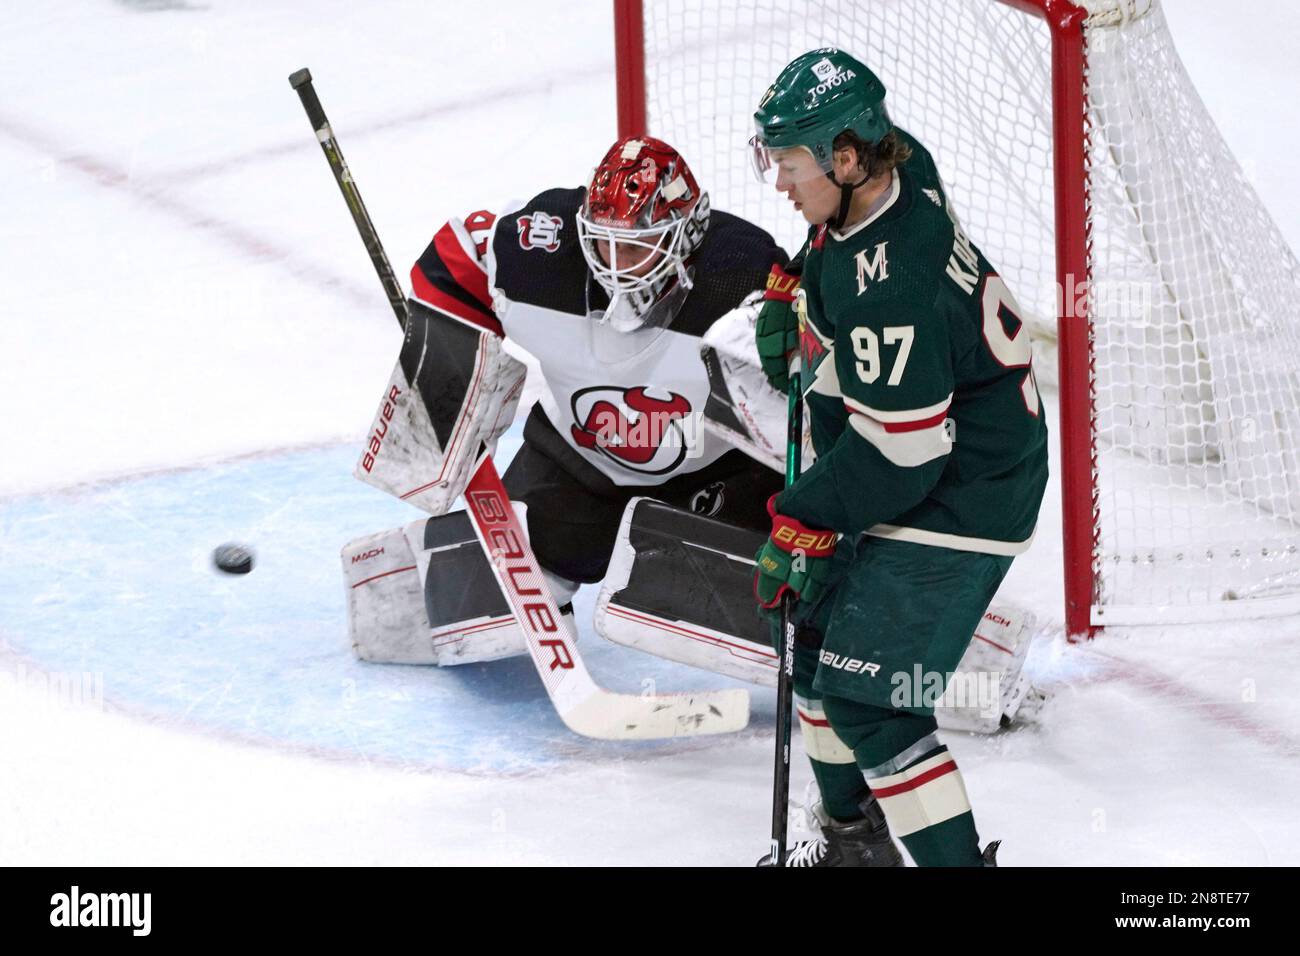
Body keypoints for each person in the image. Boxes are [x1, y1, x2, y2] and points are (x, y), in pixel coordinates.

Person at [748, 49, 1050, 866]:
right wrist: (802, 286)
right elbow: (837, 247)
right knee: (816, 658)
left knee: (874, 708)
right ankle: (855, 848)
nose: (781, 184)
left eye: (793, 165)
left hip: (966, 489)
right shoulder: (900, 164)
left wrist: (802, 516)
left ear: (847, 158)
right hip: (933, 446)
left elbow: (902, 457)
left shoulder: (895, 291)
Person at [347, 136, 792, 668]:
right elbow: (455, 257)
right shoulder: (543, 255)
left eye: (635, 246)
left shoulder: (744, 279)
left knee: (768, 614)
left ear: (687, 235)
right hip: (578, 467)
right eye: (604, 243)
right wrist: (446, 384)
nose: (615, 264)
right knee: (454, 617)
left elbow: (804, 403)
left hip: (713, 477)